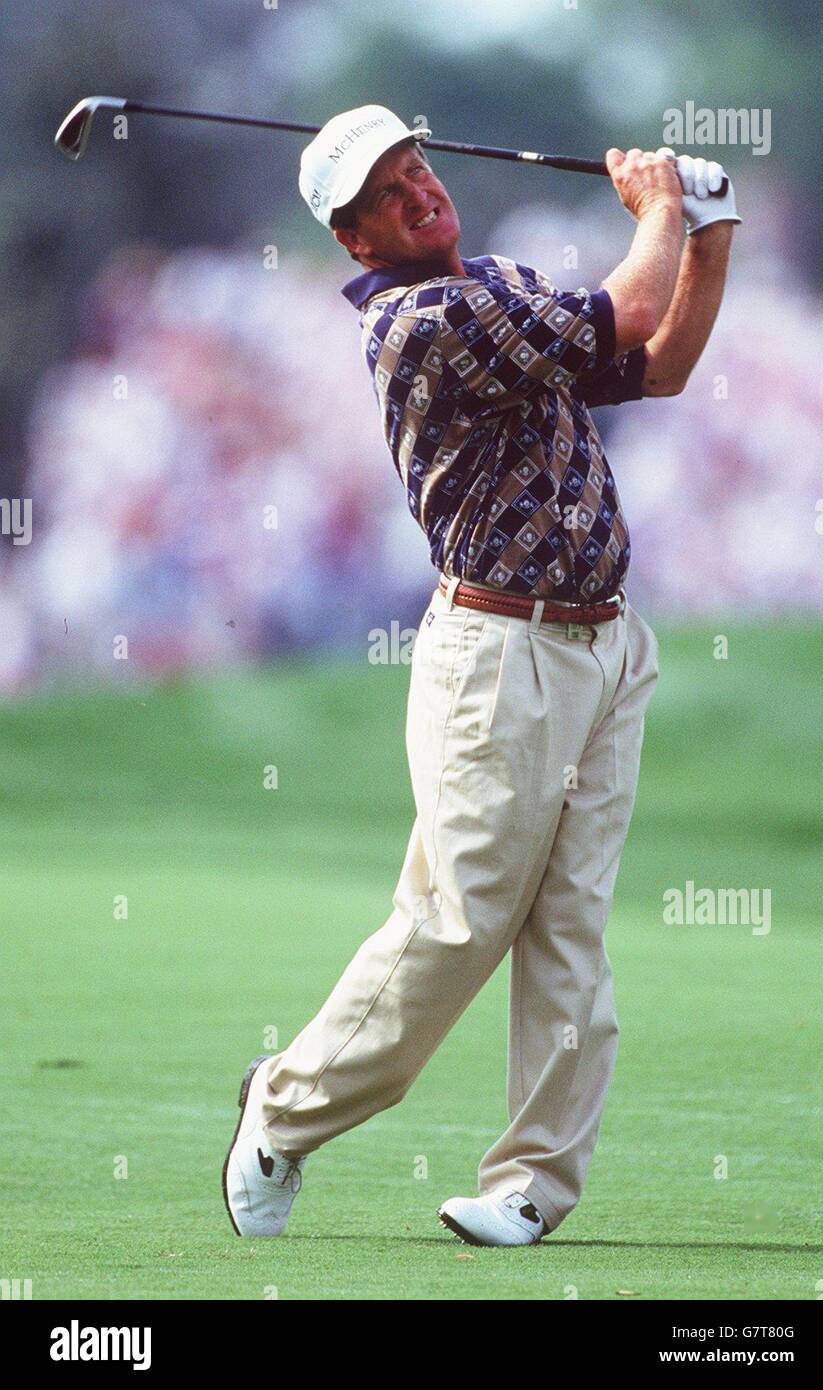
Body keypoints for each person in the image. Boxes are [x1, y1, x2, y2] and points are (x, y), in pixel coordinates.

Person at [223, 105, 741, 1246]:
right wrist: (659, 209)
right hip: (499, 653)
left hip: (606, 643)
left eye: (415, 166)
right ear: (356, 242)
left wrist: (708, 234)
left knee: (570, 929)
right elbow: (630, 304)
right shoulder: (418, 321)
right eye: (383, 195)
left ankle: (530, 1184)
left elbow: (653, 366)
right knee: (461, 922)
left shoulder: (496, 283)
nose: (416, 191)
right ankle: (284, 1106)